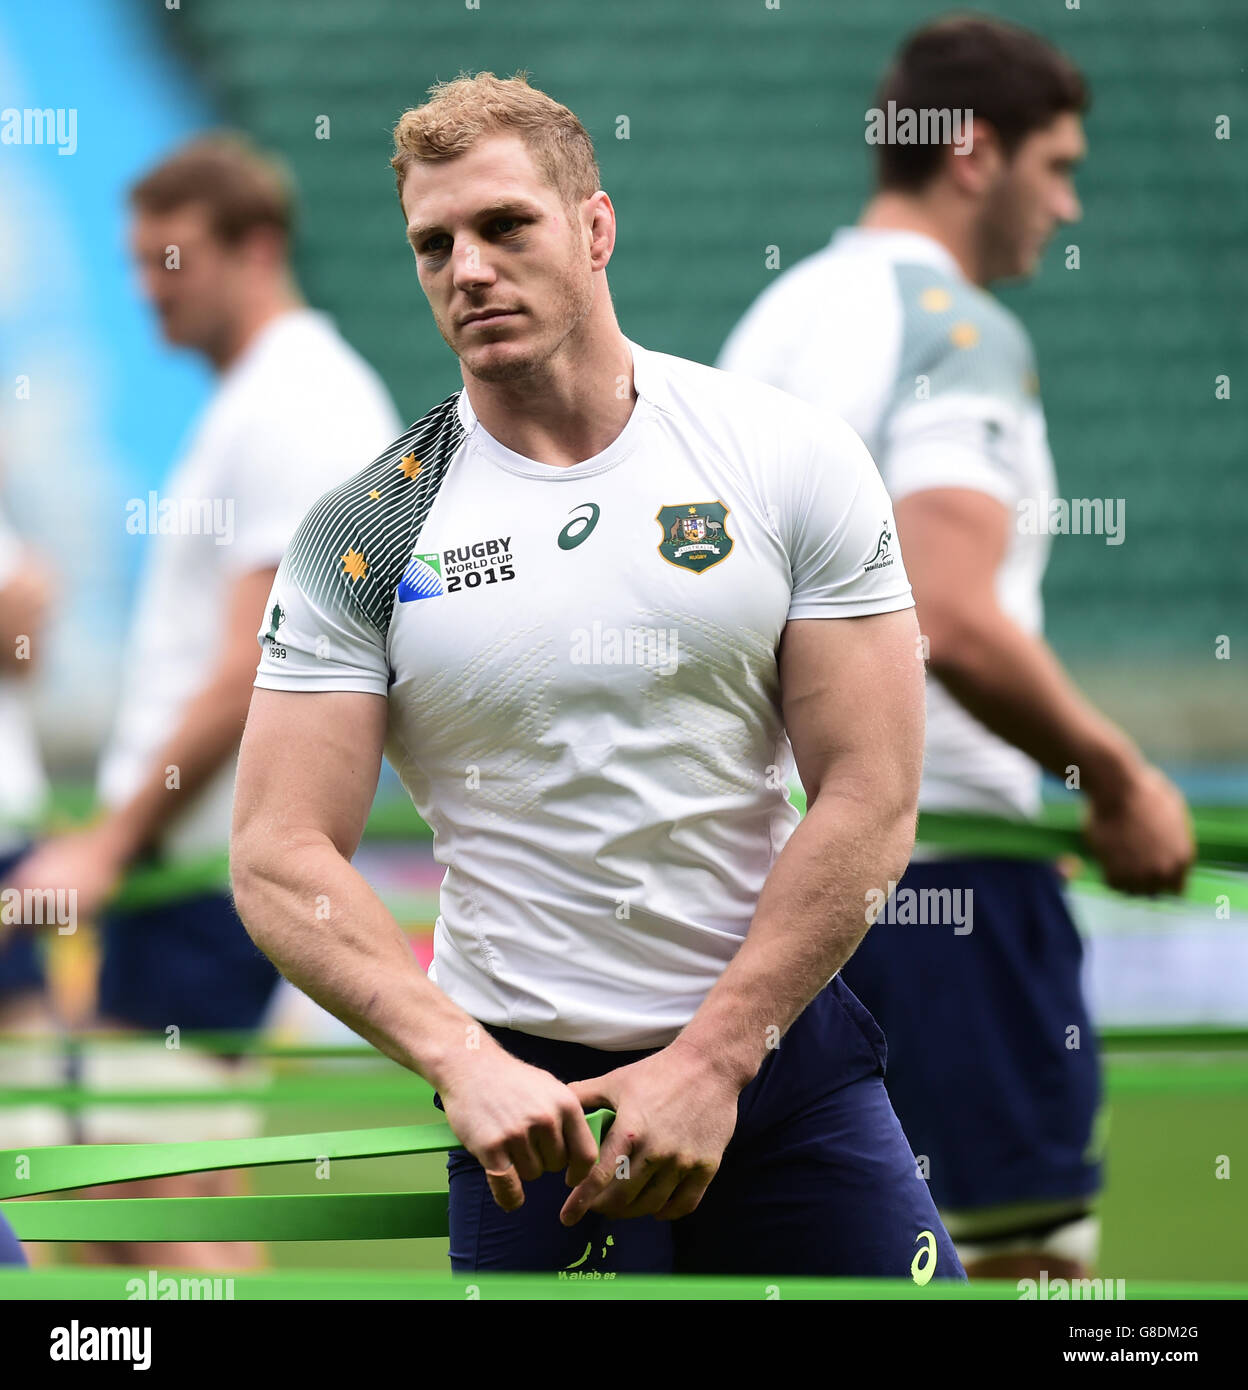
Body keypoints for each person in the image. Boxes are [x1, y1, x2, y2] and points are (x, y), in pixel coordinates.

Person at [231, 71, 964, 1281]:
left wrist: (717, 1059)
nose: (467, 268)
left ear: (595, 226)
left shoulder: (786, 457)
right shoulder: (360, 530)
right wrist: (460, 1059)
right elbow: (276, 851)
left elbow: (871, 790)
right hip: (534, 1119)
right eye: (434, 244)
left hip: (780, 1070)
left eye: (505, 226)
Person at [718, 15, 1194, 1280]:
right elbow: (951, 610)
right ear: (975, 152)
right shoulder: (957, 328)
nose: (1072, 205)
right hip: (950, 883)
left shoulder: (773, 325)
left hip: (771, 887)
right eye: (1059, 166)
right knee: (1025, 1269)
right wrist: (1119, 777)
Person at [6, 133, 401, 1268]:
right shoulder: (268, 397)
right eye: (135, 264)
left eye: (170, 261)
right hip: (191, 854)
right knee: (136, 1204)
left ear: (256, 247)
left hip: (211, 860)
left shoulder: (295, 401)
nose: (146, 292)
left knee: (156, 1201)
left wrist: (112, 839)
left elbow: (259, 658)